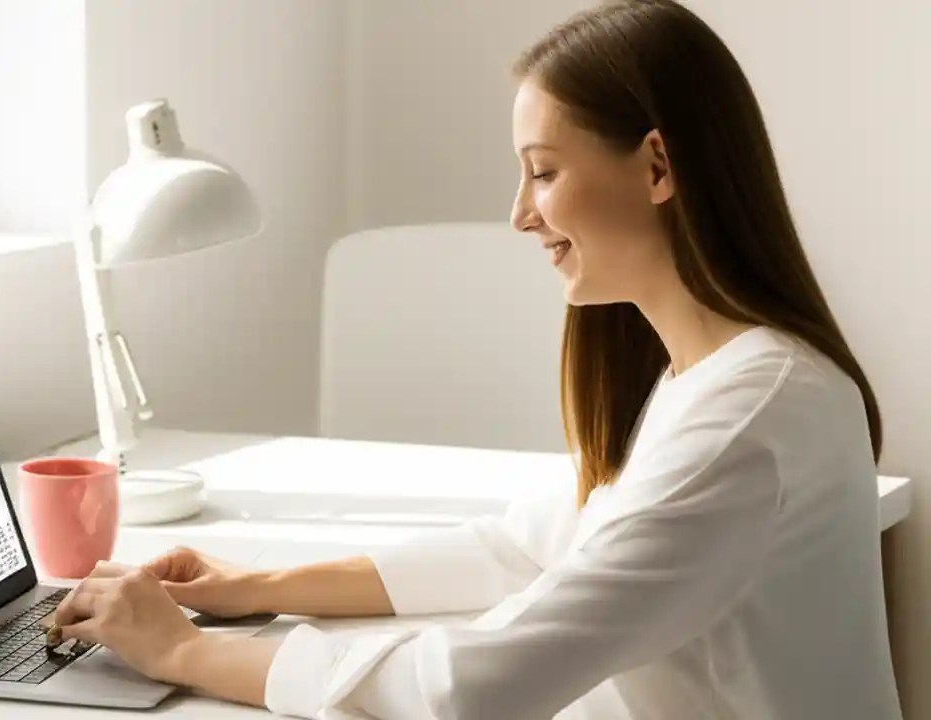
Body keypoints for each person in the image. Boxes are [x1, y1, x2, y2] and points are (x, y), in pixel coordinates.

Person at [46, 1, 903, 717]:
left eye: (542, 173)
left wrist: (183, 652)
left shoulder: (747, 421)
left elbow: (464, 689)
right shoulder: (725, 377)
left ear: (655, 167)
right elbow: (523, 548)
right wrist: (256, 583)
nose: (521, 215)